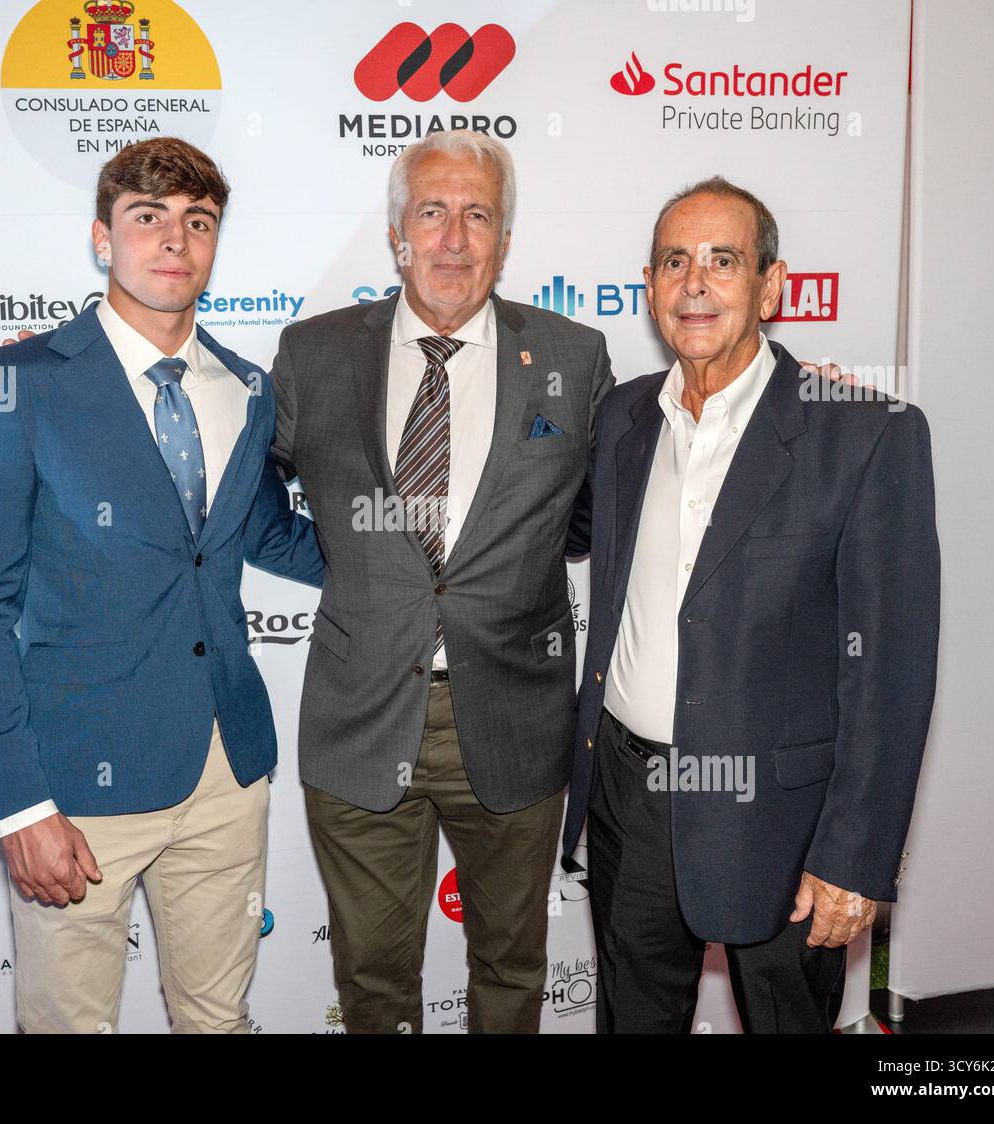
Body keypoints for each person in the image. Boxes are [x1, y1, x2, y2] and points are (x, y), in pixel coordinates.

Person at [0, 137, 323, 1033]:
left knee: (218, 1020)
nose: (175, 241)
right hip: (75, 783)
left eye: (198, 222)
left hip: (228, 764)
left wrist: (421, 561)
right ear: (103, 240)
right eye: (147, 218)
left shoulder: (246, 386)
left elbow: (262, 530)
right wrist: (19, 801)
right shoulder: (16, 383)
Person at [561, 176, 940, 1033]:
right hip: (629, 799)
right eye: (674, 262)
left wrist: (856, 861)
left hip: (783, 825)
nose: (695, 283)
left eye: (723, 261)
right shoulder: (622, 419)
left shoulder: (866, 434)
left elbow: (892, 672)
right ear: (650, 285)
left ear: (772, 285)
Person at [269, 130, 615, 1033]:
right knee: (375, 980)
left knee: (511, 967)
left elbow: (596, 508)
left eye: (477, 216)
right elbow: (243, 487)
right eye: (432, 213)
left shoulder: (576, 359)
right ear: (397, 234)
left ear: (505, 240)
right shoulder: (314, 353)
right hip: (359, 713)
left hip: (516, 714)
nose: (453, 238)